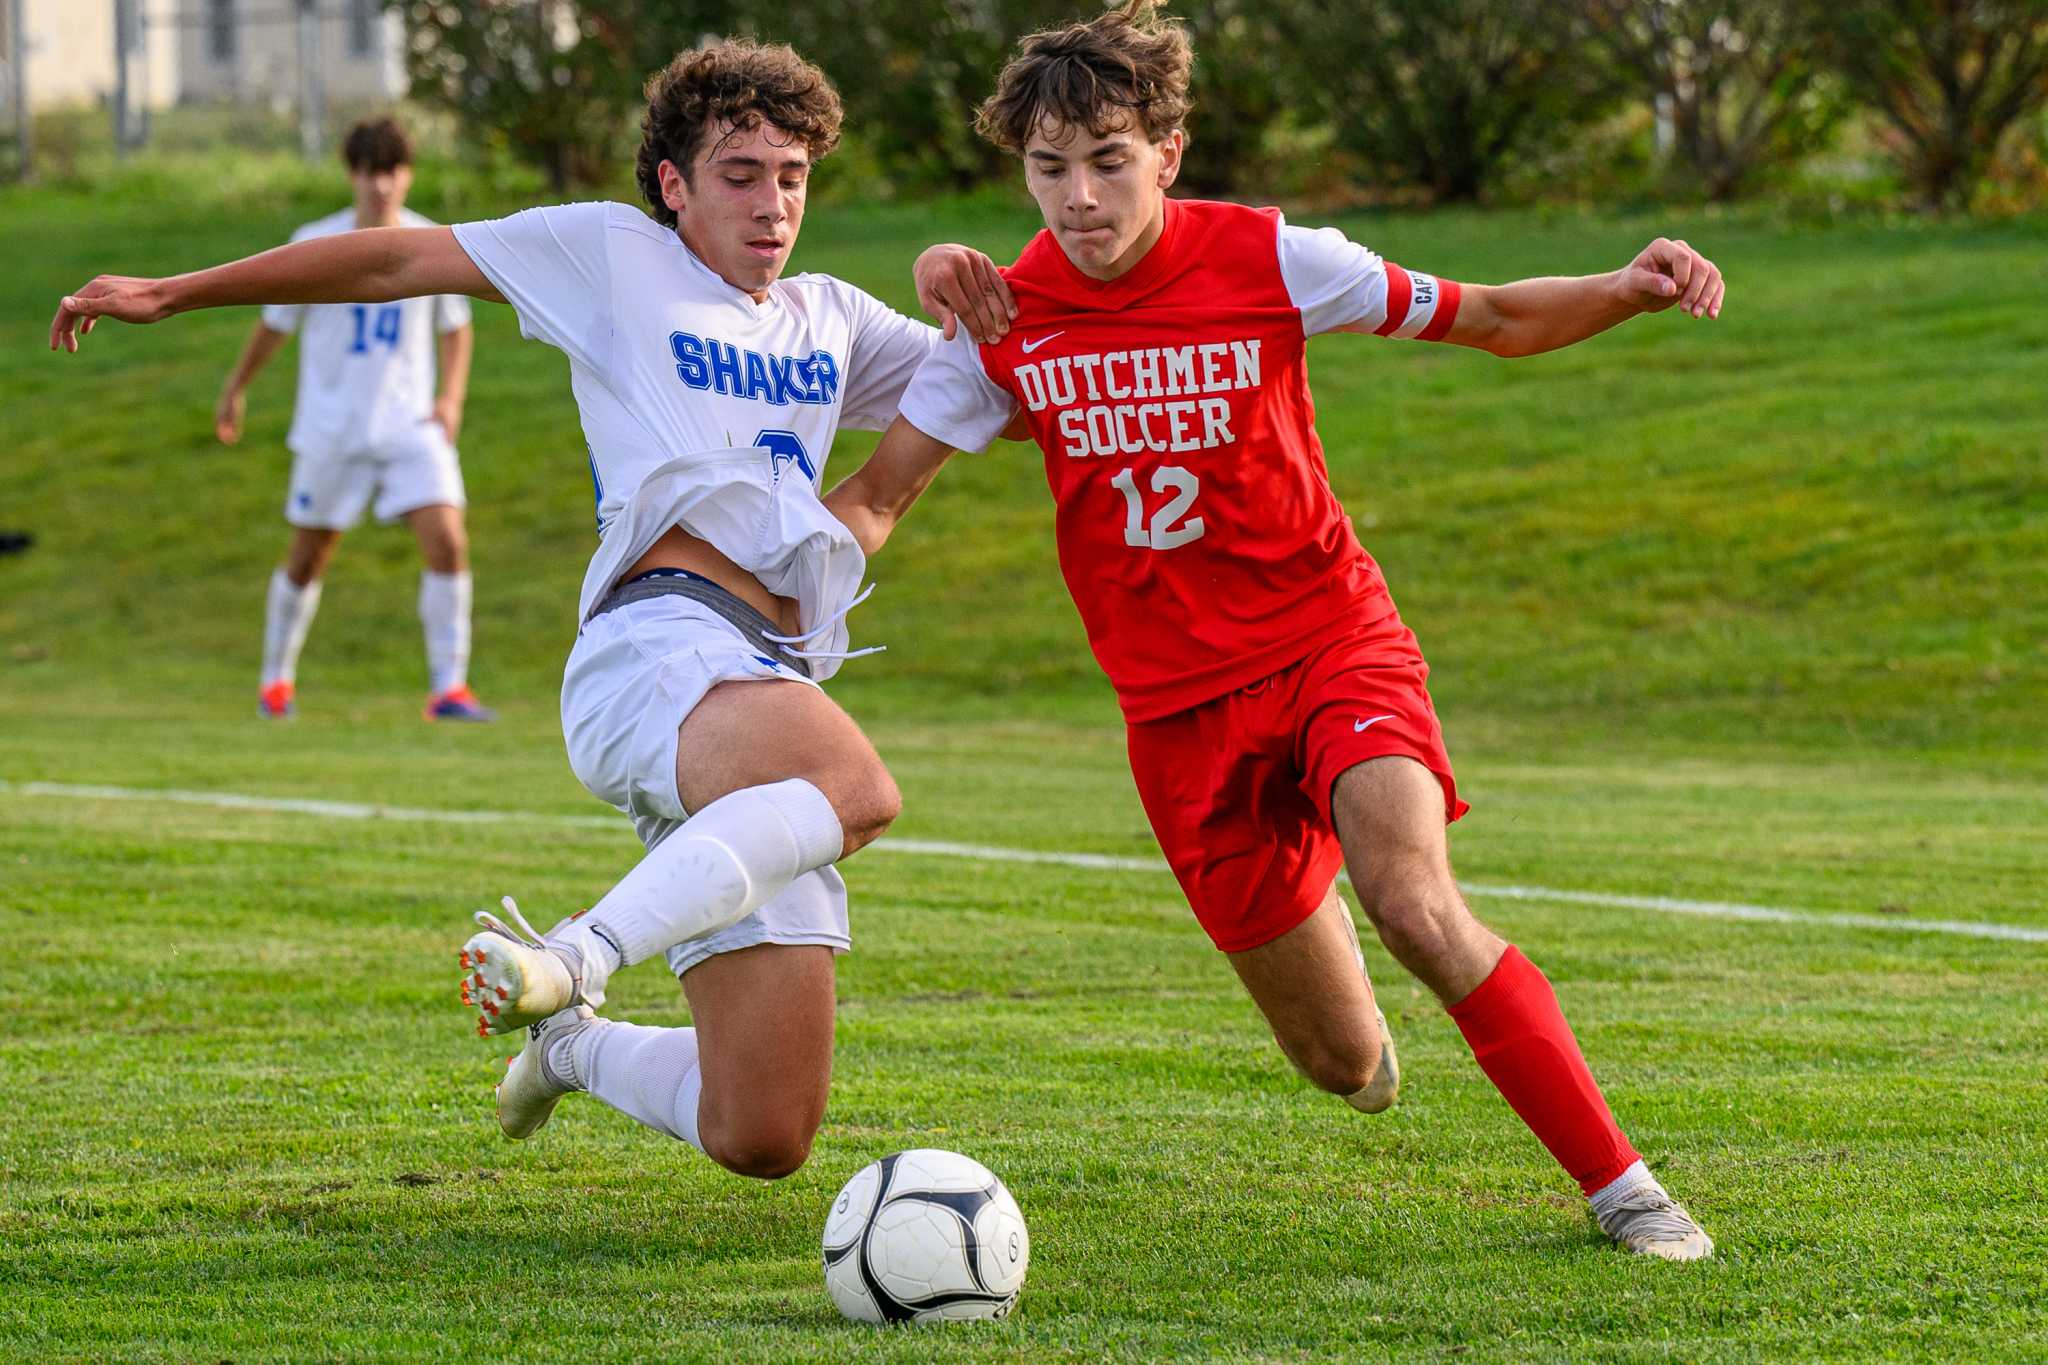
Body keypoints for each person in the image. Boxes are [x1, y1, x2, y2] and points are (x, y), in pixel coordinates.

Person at [825, 0, 1724, 1259]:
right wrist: (743, 588)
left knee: (1413, 904)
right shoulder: (1001, 324)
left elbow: (1494, 317)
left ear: (1167, 154)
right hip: (1176, 714)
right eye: (1046, 169)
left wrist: (1625, 289)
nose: (1077, 198)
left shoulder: (1272, 258)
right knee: (1342, 1064)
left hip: (1325, 643)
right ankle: (1336, 967)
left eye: (1107, 161)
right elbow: (874, 499)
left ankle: (1624, 1187)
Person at [49, 40, 1016, 1182]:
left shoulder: (831, 319)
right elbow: (393, 264)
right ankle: (573, 955)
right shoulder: (610, 255)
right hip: (656, 650)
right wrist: (178, 290)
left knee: (762, 1132)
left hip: (757, 697)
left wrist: (962, 269)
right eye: (740, 174)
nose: (773, 204)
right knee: (856, 788)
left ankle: (571, 1047)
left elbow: (1011, 384)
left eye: (793, 175)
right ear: (672, 185)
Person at [214, 117, 494, 721]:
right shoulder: (316, 242)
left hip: (410, 427)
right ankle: (275, 682)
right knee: (309, 555)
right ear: (353, 175)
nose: (381, 185)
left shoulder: (431, 242)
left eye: (392, 171)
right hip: (333, 428)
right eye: (370, 172)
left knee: (448, 541)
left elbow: (456, 330)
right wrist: (237, 387)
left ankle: (449, 688)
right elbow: (273, 325)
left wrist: (451, 401)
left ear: (407, 175)